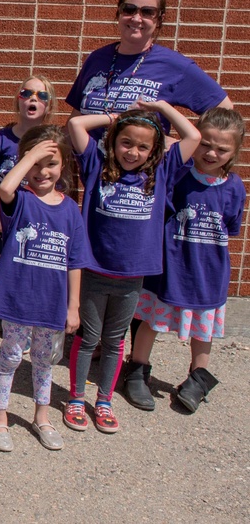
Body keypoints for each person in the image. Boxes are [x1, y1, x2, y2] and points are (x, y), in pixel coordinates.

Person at [65, 101, 200, 434]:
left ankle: (105, 400)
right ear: (113, 142)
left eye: (143, 146)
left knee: (114, 340)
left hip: (132, 276)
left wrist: (161, 107)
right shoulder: (97, 166)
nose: (133, 151)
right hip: (95, 270)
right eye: (126, 142)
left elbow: (193, 135)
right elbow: (77, 126)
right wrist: (116, 117)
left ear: (154, 151)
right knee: (89, 337)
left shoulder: (161, 173)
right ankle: (77, 398)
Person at [124, 108, 245, 413]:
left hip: (207, 272)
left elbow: (230, 229)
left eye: (222, 148)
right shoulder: (178, 175)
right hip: (169, 268)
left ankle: (197, 378)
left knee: (202, 331)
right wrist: (163, 108)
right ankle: (137, 370)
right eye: (206, 143)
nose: (212, 153)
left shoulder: (234, 188)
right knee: (152, 321)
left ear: (235, 151)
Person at [0, 126, 92, 452]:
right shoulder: (22, 200)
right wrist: (29, 156)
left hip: (51, 302)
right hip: (17, 298)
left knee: (45, 360)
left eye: (51, 164)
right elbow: (4, 189)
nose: (43, 172)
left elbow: (75, 261)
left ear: (64, 167)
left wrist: (74, 307)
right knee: (12, 356)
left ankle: (42, 416)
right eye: (36, 165)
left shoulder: (71, 210)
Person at [67, 0, 231, 132]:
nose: (136, 18)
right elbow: (75, 118)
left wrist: (183, 150)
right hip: (88, 164)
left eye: (147, 12)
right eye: (129, 9)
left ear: (159, 19)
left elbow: (225, 111)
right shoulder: (97, 59)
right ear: (118, 13)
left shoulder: (174, 65)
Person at [0, 75, 57, 351]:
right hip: (4, 218)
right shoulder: (0, 139)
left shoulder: (51, 140)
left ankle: (23, 324)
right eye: (26, 93)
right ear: (18, 100)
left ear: (49, 105)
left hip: (35, 221)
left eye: (41, 96)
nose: (33, 99)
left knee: (30, 272)